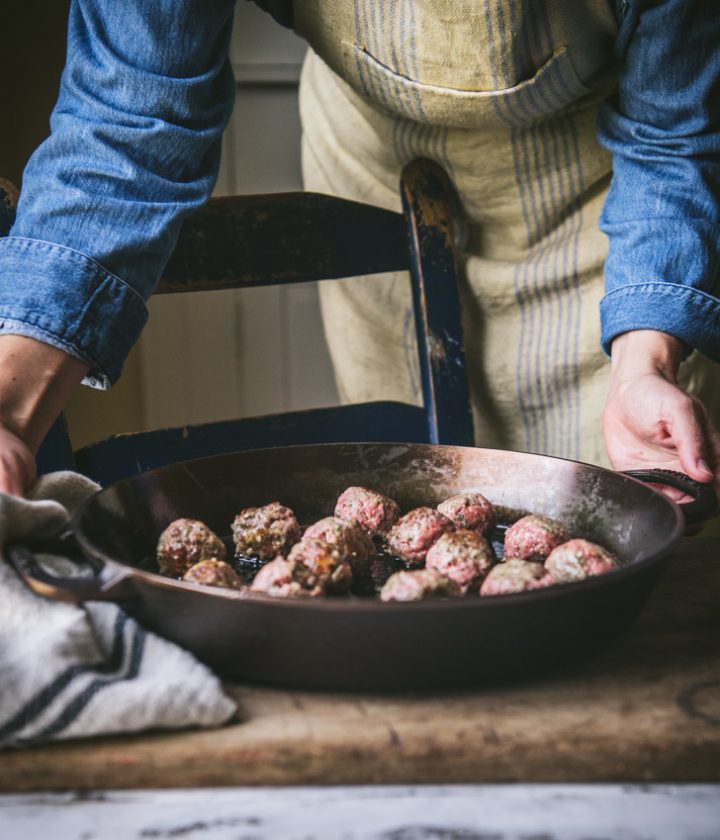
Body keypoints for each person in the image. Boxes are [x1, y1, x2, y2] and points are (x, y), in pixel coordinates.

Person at [0, 0, 718, 501]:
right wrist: (9, 412)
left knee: (604, 522)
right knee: (414, 494)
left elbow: (674, 135)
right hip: (378, 155)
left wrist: (645, 364)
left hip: (609, 197)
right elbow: (130, 121)